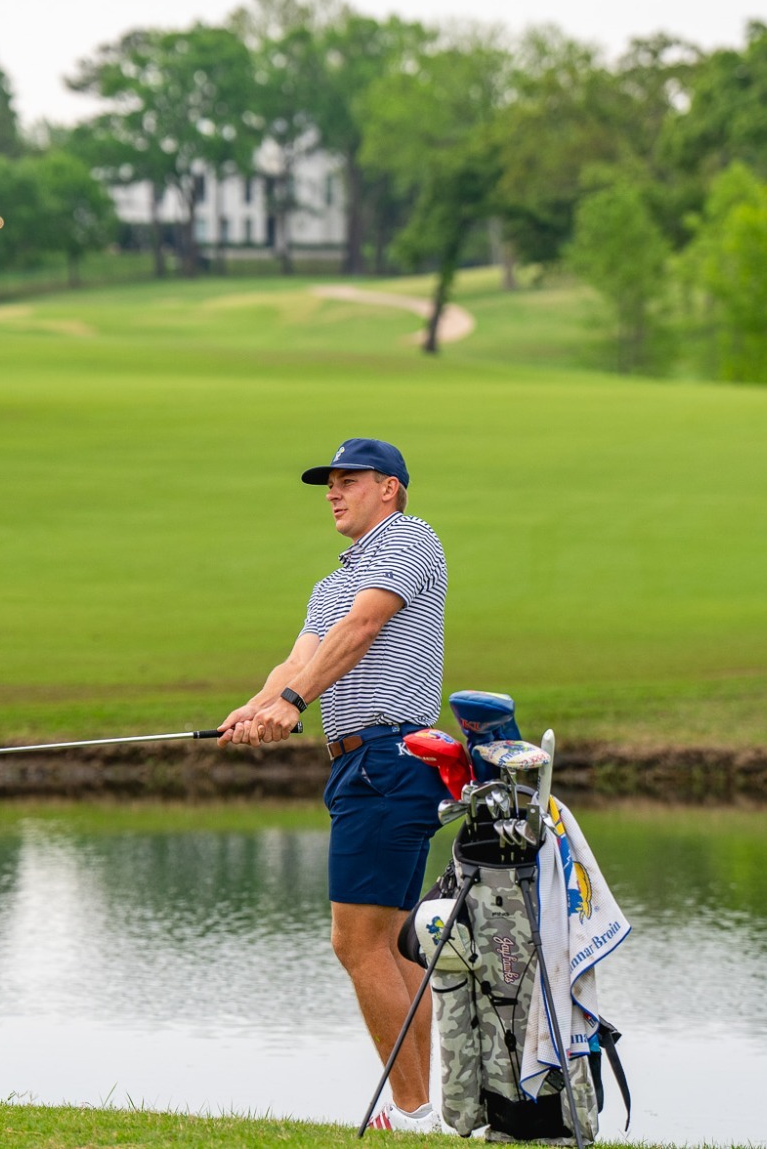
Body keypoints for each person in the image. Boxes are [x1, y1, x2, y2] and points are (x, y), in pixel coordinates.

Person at [218, 437, 449, 1133]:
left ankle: (413, 1110)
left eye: (348, 479)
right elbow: (300, 658)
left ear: (390, 487)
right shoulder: (332, 580)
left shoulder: (410, 537)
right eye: (330, 481)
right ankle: (430, 1106)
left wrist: (291, 703)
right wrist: (257, 708)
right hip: (361, 765)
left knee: (356, 943)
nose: (333, 490)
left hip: (389, 758)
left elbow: (364, 627)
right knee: (396, 941)